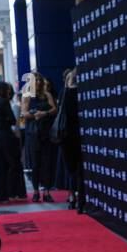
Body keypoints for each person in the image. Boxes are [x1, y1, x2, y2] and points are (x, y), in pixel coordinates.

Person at [20, 71, 56, 202]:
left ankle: (46, 191)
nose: (38, 82)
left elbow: (54, 109)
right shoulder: (27, 96)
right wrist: (35, 113)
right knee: (35, 164)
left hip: (46, 132)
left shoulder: (47, 95)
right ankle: (36, 191)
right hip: (33, 133)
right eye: (35, 80)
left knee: (47, 162)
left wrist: (45, 113)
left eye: (39, 80)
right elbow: (23, 114)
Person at [57, 67, 85, 211]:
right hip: (78, 136)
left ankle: (72, 197)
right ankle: (80, 201)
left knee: (71, 170)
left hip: (65, 136)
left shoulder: (64, 94)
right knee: (80, 170)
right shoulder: (81, 94)